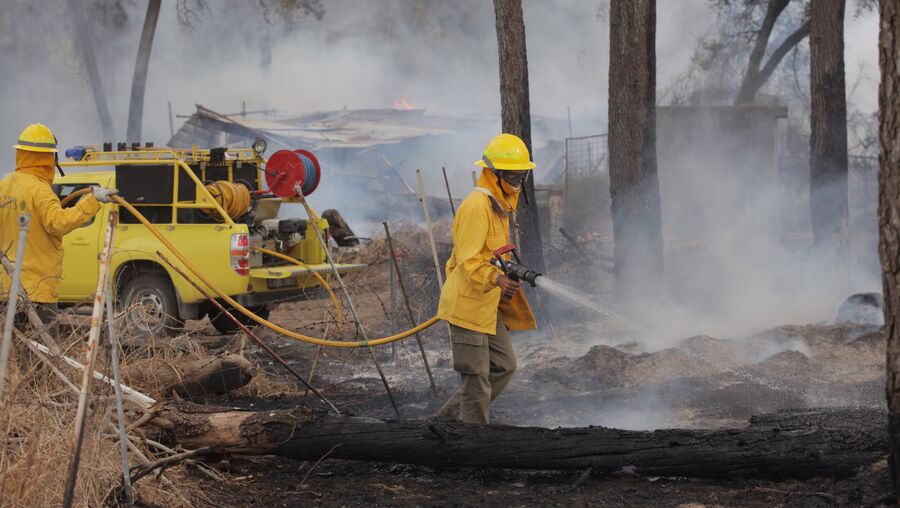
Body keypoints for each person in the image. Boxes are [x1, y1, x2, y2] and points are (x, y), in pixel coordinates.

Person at [436, 133, 537, 425]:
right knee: (476, 378)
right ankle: (473, 438)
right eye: (513, 176)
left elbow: (491, 254)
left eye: (522, 176)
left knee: (505, 366)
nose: (518, 182)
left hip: (487, 305)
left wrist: (506, 275)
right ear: (494, 174)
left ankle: (445, 422)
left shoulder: (499, 207)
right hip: (467, 306)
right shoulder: (477, 206)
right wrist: (496, 279)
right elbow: (468, 260)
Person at [0, 123, 117, 336]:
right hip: (37, 290)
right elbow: (58, 222)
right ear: (49, 158)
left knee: (11, 348)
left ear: (21, 153)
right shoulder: (40, 190)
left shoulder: (5, 185)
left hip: (6, 288)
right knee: (43, 351)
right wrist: (92, 200)